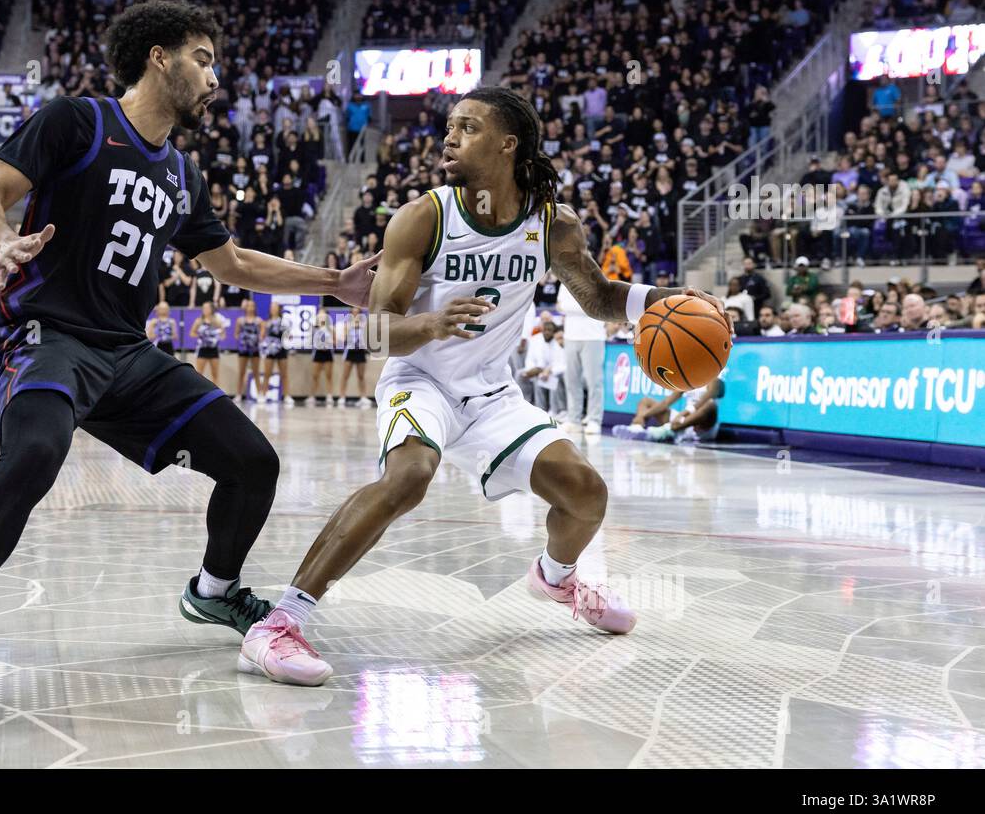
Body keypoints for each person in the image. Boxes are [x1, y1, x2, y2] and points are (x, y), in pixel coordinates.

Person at [0, 0, 378, 724]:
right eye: (204, 59)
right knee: (33, 458)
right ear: (159, 56)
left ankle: (213, 590)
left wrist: (331, 282)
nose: (216, 77)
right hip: (48, 336)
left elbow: (231, 262)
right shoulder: (76, 122)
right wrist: (0, 241)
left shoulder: (182, 173)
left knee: (252, 462)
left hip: (126, 352)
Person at [237, 86, 731, 685]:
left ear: (507, 143)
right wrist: (429, 323)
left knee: (586, 495)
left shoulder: (551, 222)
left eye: (467, 128)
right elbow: (373, 334)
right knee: (410, 476)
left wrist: (670, 298)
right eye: (450, 126)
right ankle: (279, 623)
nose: (449, 137)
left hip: (493, 394)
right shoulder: (423, 217)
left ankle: (555, 578)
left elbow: (599, 298)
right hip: (420, 379)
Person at [558, 278, 606, 435]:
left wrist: (573, 306)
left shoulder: (597, 281)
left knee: (594, 381)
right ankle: (574, 419)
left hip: (593, 336)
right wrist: (581, 305)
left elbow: (594, 306)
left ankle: (594, 419)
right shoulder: (565, 283)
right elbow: (560, 306)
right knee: (571, 380)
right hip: (570, 335)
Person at [521, 315, 566, 419]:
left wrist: (549, 371)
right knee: (527, 376)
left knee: (552, 379)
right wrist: (535, 370)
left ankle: (555, 410)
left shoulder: (558, 342)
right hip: (540, 370)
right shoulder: (537, 340)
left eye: (550, 330)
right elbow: (531, 359)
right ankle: (538, 408)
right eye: (545, 330)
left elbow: (560, 363)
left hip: (555, 372)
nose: (547, 332)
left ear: (554, 332)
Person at [259, 301, 292, 405]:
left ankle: (286, 396)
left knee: (284, 374)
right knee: (267, 373)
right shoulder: (266, 322)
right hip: (270, 349)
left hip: (281, 349)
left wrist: (288, 337)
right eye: (272, 307)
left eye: (275, 307)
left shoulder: (284, 322)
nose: (273, 309)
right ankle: (263, 394)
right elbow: (262, 336)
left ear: (279, 309)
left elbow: (288, 336)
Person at [232, 297, 262, 401]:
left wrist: (255, 340)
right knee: (241, 372)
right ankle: (239, 394)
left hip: (254, 349)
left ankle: (260, 395)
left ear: (254, 308)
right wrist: (242, 340)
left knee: (256, 372)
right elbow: (236, 334)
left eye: (252, 306)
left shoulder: (259, 321)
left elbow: (262, 336)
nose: (250, 308)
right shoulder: (240, 320)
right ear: (246, 307)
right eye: (248, 306)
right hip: (243, 349)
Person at [338, 308, 370, 406]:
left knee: (361, 376)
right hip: (350, 351)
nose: (355, 315)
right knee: (345, 375)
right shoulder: (347, 324)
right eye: (353, 313)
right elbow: (343, 338)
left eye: (357, 313)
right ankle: (342, 396)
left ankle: (363, 396)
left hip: (360, 351)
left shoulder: (364, 324)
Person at [190, 299, 226, 383]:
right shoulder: (199, 321)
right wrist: (201, 336)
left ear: (211, 309)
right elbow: (192, 333)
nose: (204, 310)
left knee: (215, 374)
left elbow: (223, 335)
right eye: (203, 308)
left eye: (206, 308)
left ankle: (216, 395)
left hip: (214, 349)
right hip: (202, 349)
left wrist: (215, 337)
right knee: (199, 374)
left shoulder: (217, 321)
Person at [309, 308, 334, 404]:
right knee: (315, 375)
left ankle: (329, 395)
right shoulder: (314, 328)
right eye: (320, 315)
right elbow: (311, 341)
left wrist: (330, 342)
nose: (321, 317)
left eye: (323, 315)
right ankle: (312, 396)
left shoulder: (330, 328)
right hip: (318, 353)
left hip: (327, 352)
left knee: (329, 375)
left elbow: (334, 340)